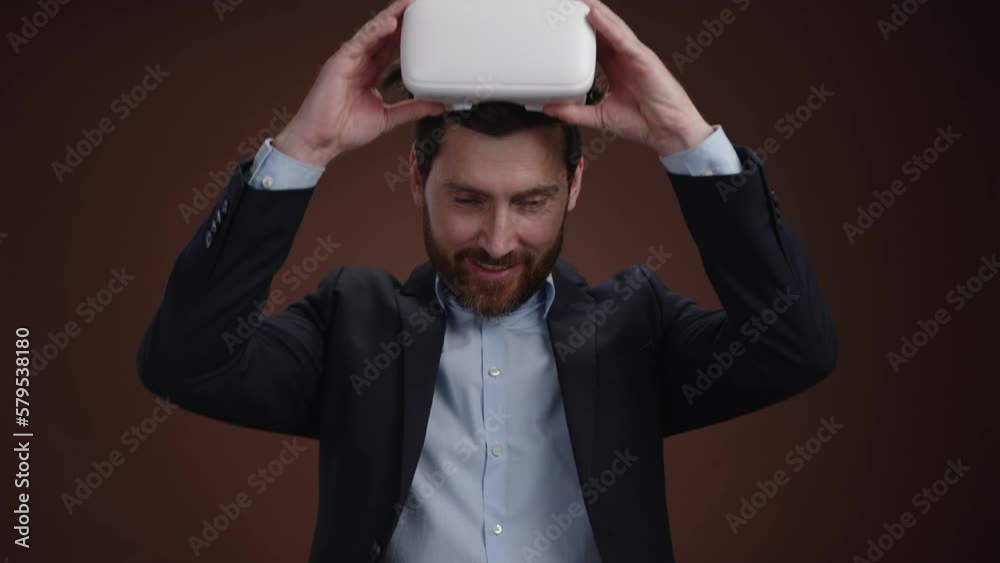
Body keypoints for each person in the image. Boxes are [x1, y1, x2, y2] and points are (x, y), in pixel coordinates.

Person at [135, 0, 837, 561]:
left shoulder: (634, 324)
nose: (498, 242)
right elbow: (186, 361)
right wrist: (305, 148)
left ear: (574, 185)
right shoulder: (352, 321)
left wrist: (686, 137)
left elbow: (795, 346)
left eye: (531, 202)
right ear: (417, 178)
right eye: (468, 200)